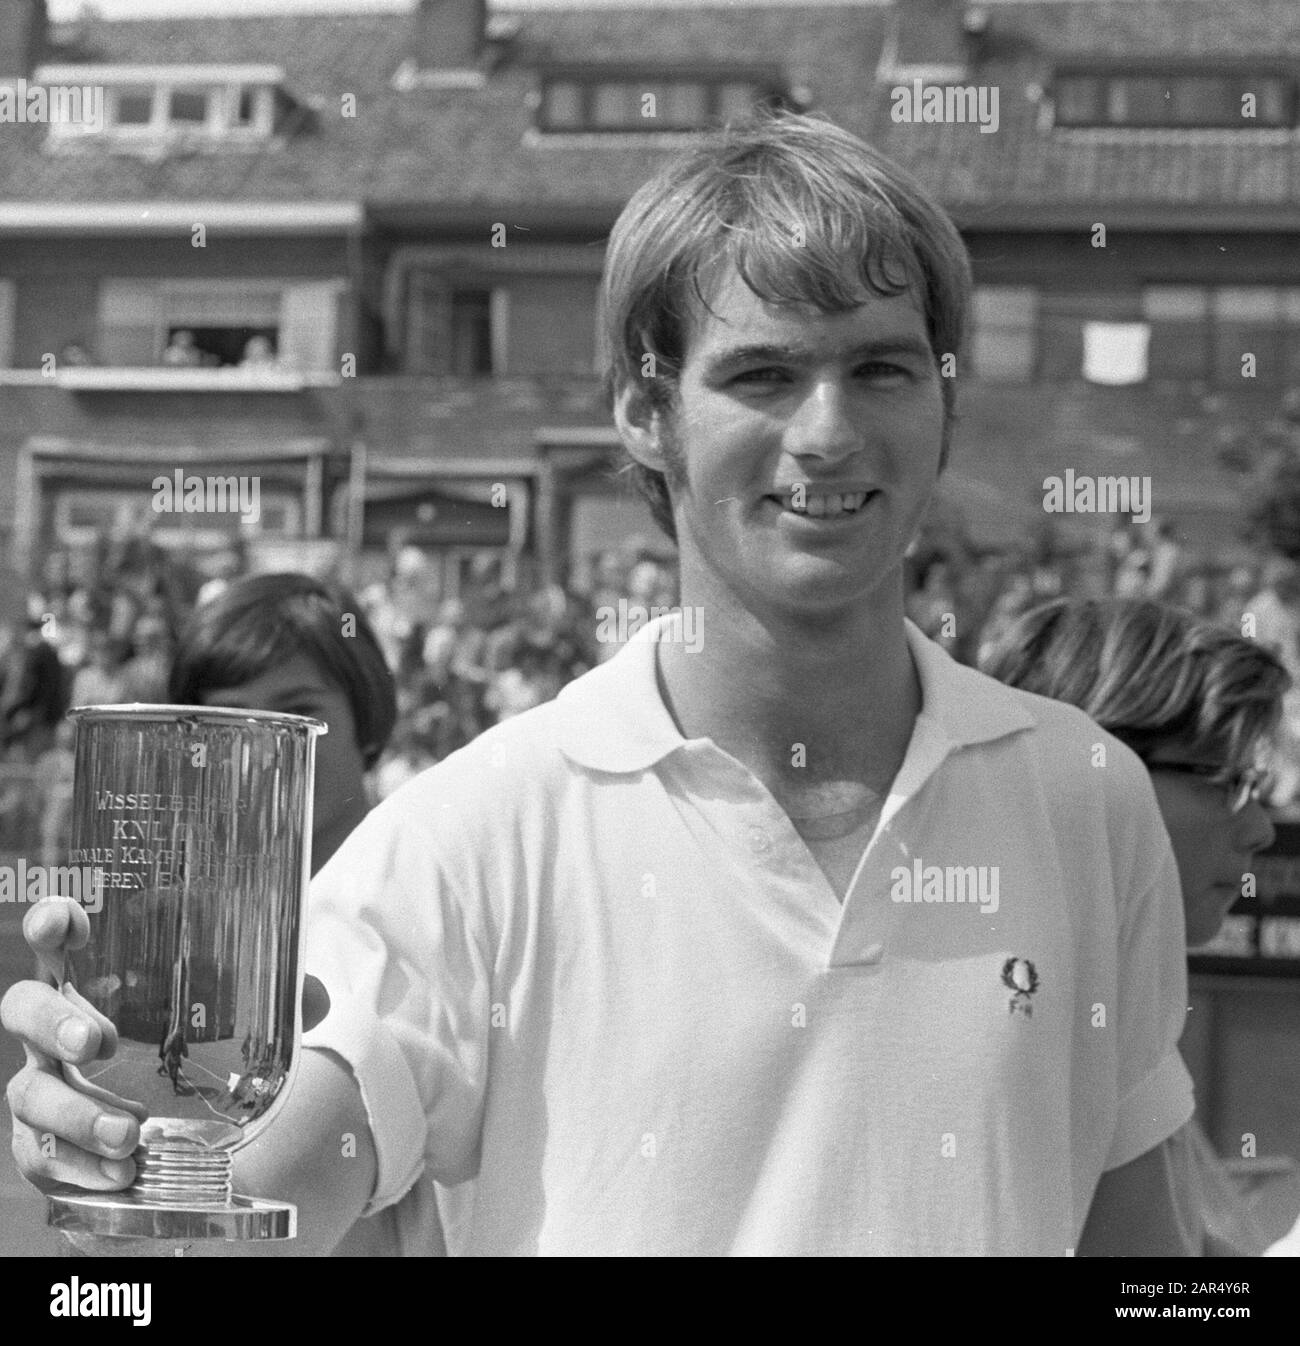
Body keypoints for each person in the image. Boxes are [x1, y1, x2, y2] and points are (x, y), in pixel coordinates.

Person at [6, 110, 1196, 1256]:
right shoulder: (468, 839)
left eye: (880, 367)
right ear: (641, 409)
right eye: (763, 374)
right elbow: (235, 1226)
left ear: (945, 399)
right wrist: (124, 1149)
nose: (828, 431)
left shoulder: (1086, 798)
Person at [981, 596, 1300, 1255]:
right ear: (1102, 767)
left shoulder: (1112, 1008)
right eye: (1225, 780)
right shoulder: (1010, 1022)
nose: (1259, 828)